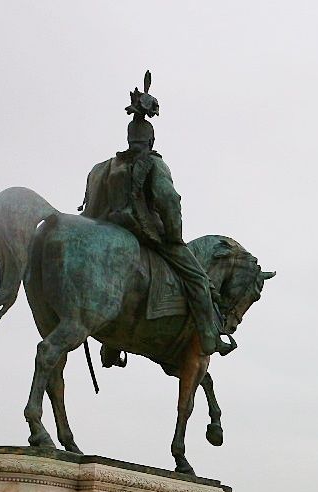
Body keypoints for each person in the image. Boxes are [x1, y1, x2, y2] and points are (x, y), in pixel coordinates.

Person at [81, 73, 228, 357]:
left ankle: (111, 346)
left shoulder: (103, 167)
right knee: (199, 279)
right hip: (143, 230)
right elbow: (169, 200)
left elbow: (90, 207)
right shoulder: (153, 163)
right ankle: (210, 337)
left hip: (105, 226)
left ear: (129, 137)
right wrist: (173, 236)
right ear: (151, 138)